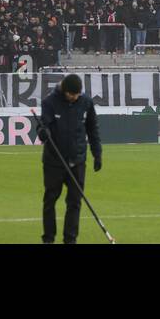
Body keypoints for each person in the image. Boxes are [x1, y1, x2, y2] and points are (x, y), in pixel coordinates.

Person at [38, 74, 103, 245]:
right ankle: (48, 239)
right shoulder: (49, 102)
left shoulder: (86, 103)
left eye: (77, 94)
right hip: (54, 161)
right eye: (71, 94)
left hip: (77, 161)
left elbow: (92, 130)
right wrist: (43, 133)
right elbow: (44, 125)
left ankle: (70, 239)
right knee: (50, 200)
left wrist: (97, 154)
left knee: (75, 202)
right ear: (64, 91)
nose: (74, 97)